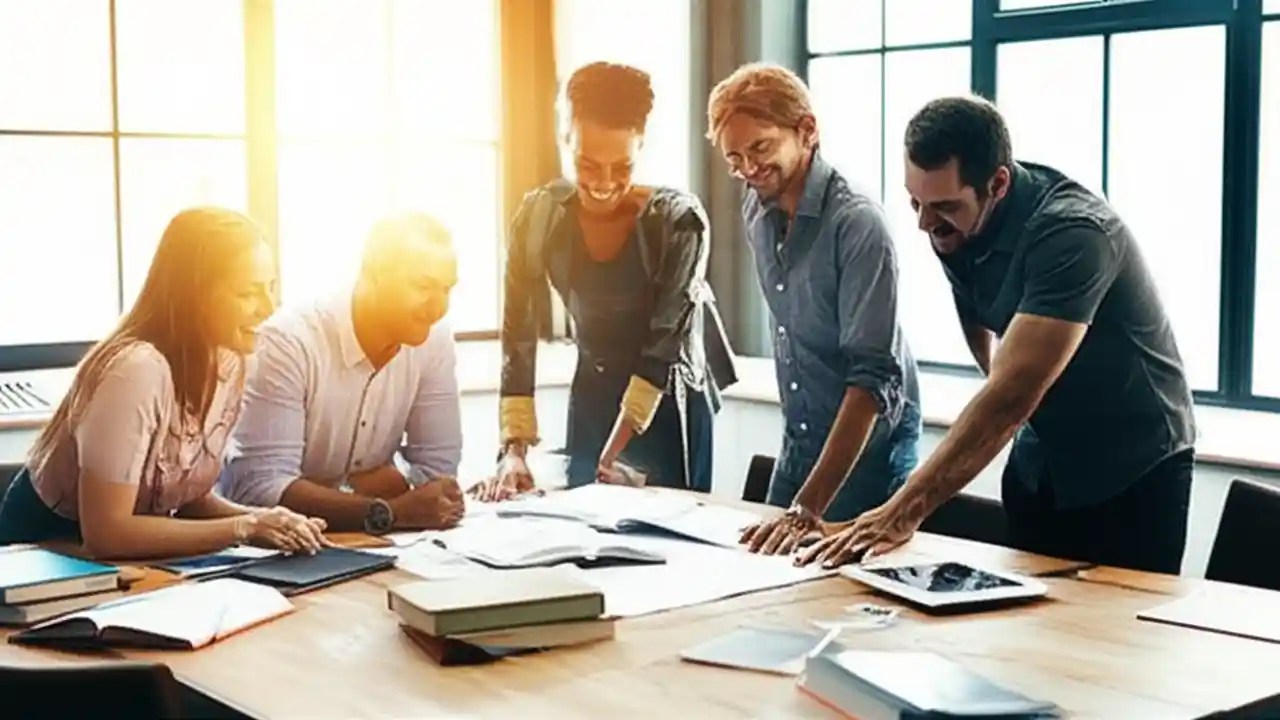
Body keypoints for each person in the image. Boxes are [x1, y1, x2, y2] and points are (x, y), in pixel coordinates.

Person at [801, 95, 1196, 574]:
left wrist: (900, 512)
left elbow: (1010, 398)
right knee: (1024, 610)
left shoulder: (1075, 235)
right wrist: (1000, 376)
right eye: (915, 202)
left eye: (943, 206)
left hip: (1132, 467)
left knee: (1115, 618)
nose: (924, 223)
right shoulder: (952, 224)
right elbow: (978, 315)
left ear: (999, 184)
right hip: (1042, 461)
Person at [471, 61, 734, 499]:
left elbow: (662, 347)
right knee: (583, 523)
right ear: (564, 138)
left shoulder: (680, 222)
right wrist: (513, 451)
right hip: (593, 395)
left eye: (622, 166)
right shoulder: (538, 217)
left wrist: (611, 457)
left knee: (664, 527)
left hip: (667, 402)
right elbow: (518, 336)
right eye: (587, 164)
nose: (604, 183)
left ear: (642, 145)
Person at [0, 208, 328, 559]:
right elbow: (107, 534)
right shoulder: (136, 369)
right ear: (195, 295)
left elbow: (186, 499)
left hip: (128, 562)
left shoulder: (230, 360)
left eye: (271, 288)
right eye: (248, 293)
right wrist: (243, 528)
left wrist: (269, 521)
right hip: (44, 557)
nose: (268, 308)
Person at [704, 62, 922, 554]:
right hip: (800, 442)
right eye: (735, 158)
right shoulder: (756, 206)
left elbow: (873, 379)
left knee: (846, 591)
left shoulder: (858, 224)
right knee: (760, 569)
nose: (748, 169)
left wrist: (808, 508)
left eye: (761, 148)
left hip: (868, 453)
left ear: (807, 131)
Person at [219, 213, 465, 535]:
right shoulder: (289, 342)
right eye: (423, 286)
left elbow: (439, 482)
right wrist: (386, 508)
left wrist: (336, 492)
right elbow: (260, 488)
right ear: (372, 272)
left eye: (447, 289)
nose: (438, 307)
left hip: (374, 545)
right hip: (273, 548)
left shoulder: (434, 339)